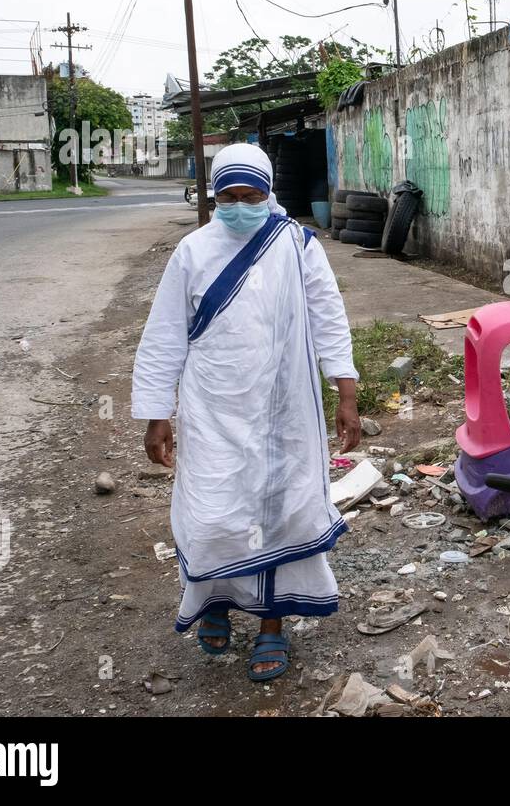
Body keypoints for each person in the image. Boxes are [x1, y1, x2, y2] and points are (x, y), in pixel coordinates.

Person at [131, 142, 362, 681]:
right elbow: (164, 336)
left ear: (268, 194)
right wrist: (156, 414)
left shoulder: (298, 245)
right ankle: (212, 604)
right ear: (214, 197)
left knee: (279, 515)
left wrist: (346, 394)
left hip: (285, 410)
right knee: (211, 512)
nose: (239, 205)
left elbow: (330, 318)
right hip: (213, 408)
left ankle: (271, 627)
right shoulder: (191, 252)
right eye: (228, 197)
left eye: (251, 195)